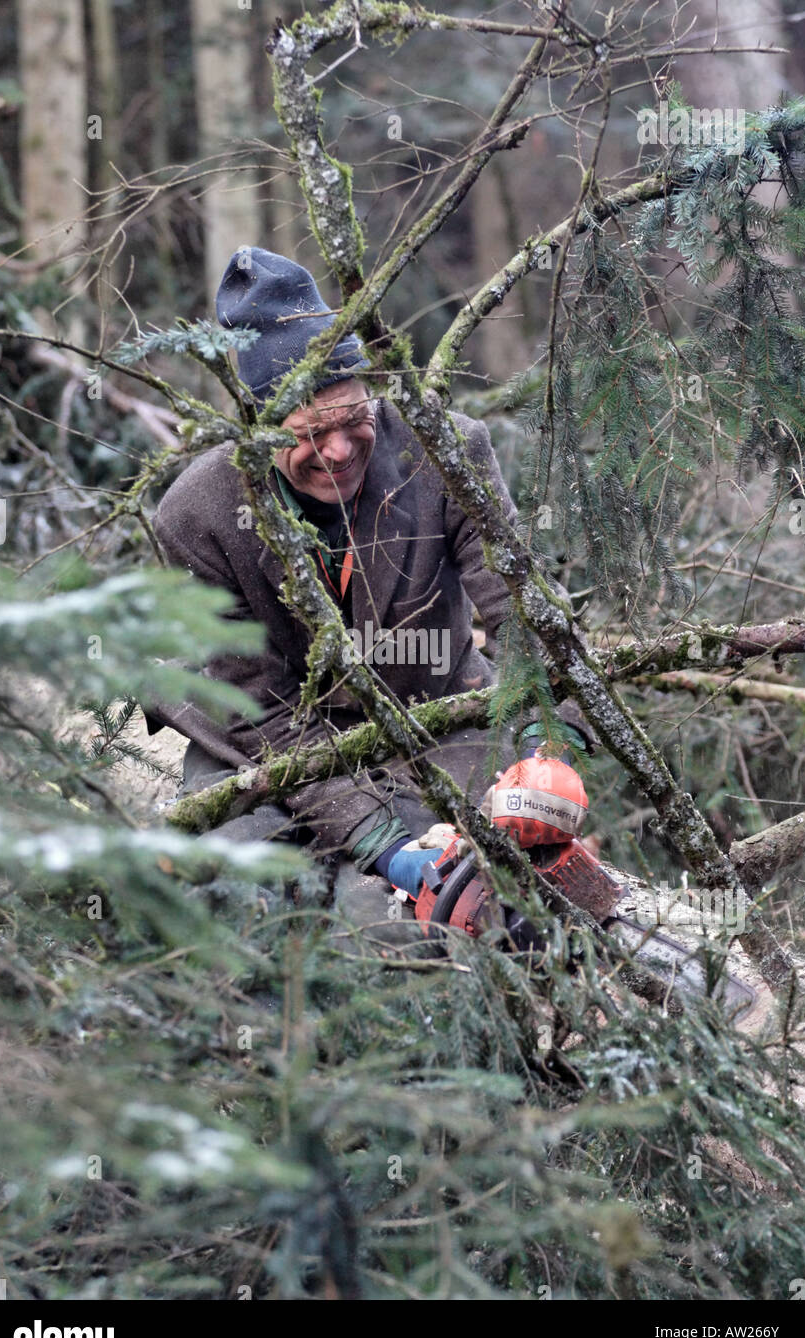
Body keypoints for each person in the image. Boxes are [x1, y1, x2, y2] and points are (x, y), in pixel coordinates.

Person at [145, 247, 590, 901]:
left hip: (433, 716)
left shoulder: (444, 449)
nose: (340, 449)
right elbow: (256, 711)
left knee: (482, 883)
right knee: (240, 887)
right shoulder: (197, 514)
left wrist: (544, 742)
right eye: (310, 433)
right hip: (262, 739)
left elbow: (519, 607)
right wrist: (378, 843)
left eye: (357, 420)